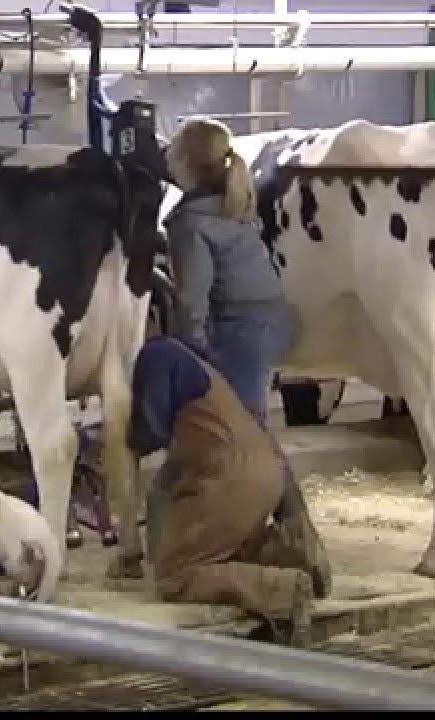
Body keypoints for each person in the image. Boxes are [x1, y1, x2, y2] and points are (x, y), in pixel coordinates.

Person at [129, 335, 331, 645]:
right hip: (266, 465)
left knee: (175, 577)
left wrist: (107, 437)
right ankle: (288, 555)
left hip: (231, 475)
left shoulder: (157, 354)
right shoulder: (203, 369)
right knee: (220, 549)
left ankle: (284, 589)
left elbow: (150, 433)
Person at [163, 116, 296, 424]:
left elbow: (191, 298)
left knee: (243, 427)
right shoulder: (236, 201)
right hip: (275, 318)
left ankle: (264, 472)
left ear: (183, 162)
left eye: (171, 150)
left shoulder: (190, 222)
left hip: (239, 330)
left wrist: (196, 351)